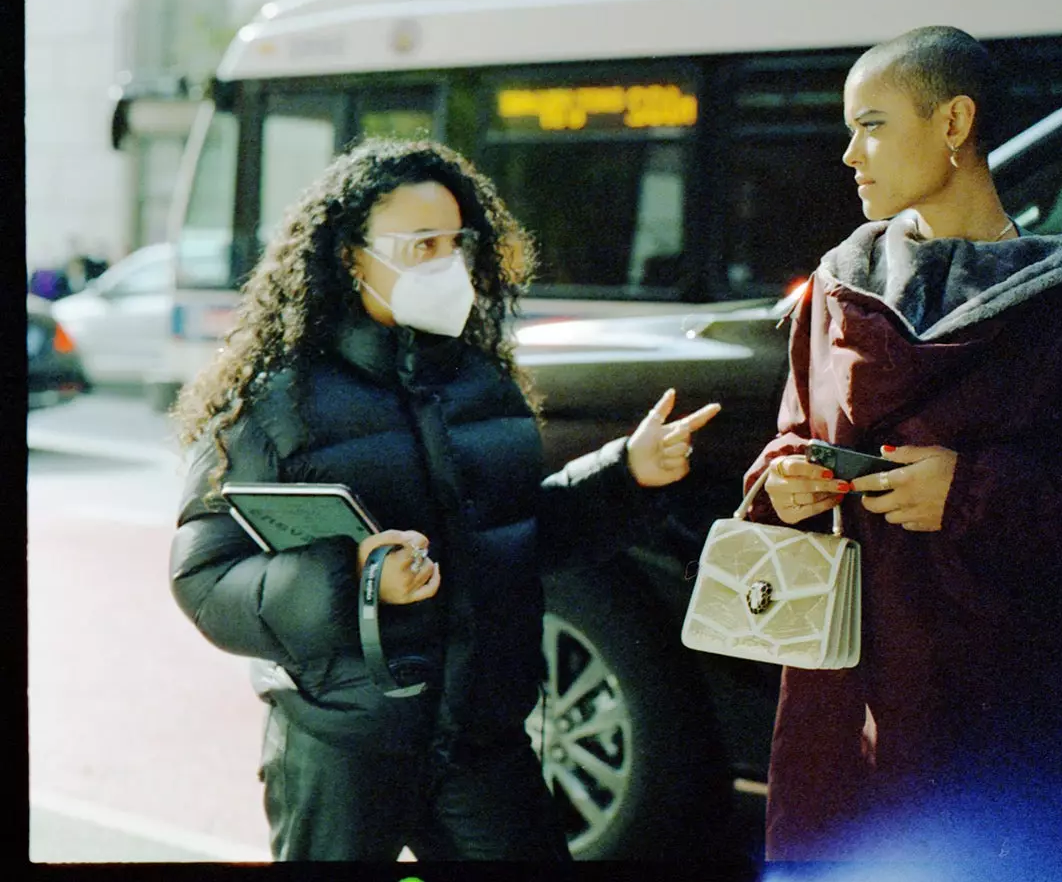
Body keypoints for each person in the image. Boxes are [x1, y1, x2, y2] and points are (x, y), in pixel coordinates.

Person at [743, 27, 1062, 874]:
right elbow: (791, 437)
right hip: (861, 703)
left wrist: (973, 491)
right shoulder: (834, 295)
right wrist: (786, 483)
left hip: (1026, 712)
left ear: (954, 122)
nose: (848, 155)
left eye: (871, 125)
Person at [168, 137, 719, 862]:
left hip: (485, 744)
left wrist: (626, 476)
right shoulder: (273, 405)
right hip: (343, 748)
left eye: (456, 243)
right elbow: (204, 577)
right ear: (348, 255)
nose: (446, 263)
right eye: (420, 243)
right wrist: (356, 583)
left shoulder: (481, 384)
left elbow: (518, 537)